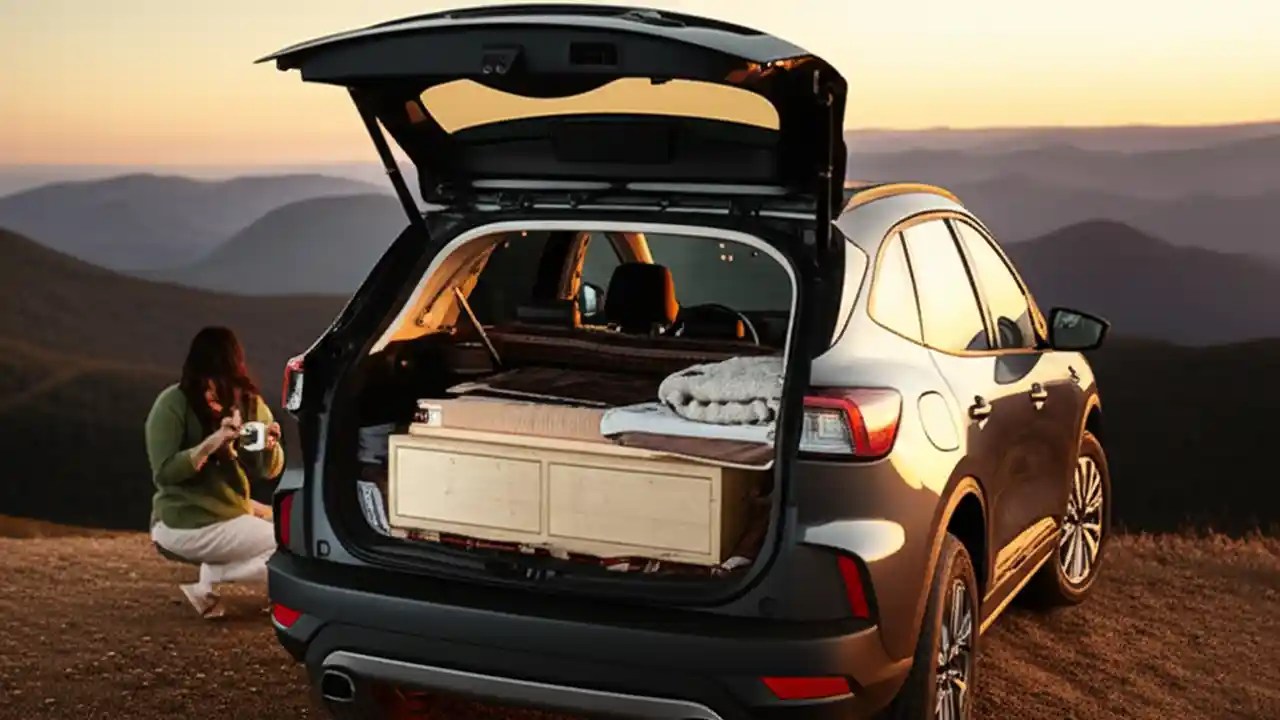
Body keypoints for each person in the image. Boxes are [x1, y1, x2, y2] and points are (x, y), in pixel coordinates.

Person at [145, 327, 284, 619]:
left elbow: (268, 471)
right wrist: (212, 443)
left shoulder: (248, 404)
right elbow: (165, 473)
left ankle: (210, 580)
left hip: (228, 512)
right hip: (182, 521)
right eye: (208, 385)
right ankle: (217, 579)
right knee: (288, 541)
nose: (215, 392)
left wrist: (270, 446)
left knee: (293, 531)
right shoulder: (173, 404)